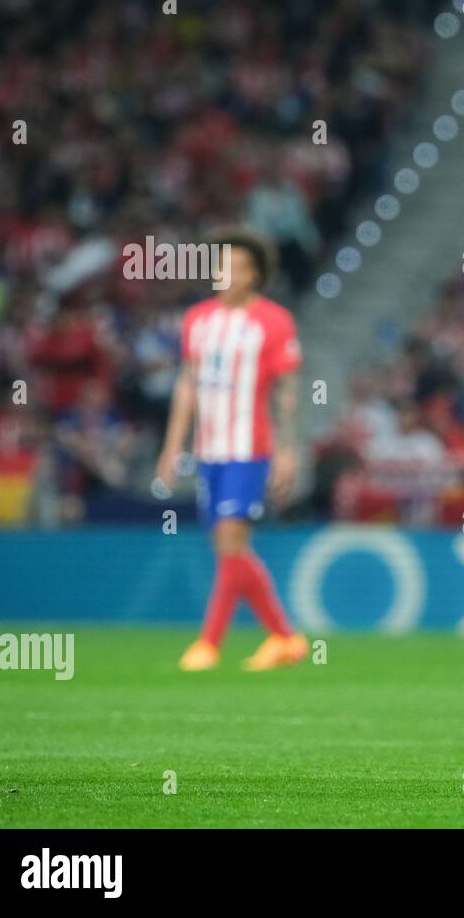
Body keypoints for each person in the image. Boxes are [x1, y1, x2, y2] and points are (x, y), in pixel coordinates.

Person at [156, 228, 309, 671]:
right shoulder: (197, 320)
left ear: (255, 275)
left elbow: (287, 392)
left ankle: (209, 643)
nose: (226, 274)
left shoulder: (273, 321)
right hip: (210, 451)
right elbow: (187, 384)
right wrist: (173, 446)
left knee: (230, 539)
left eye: (237, 267)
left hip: (249, 448)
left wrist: (288, 449)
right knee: (229, 548)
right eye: (221, 265)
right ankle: (284, 637)